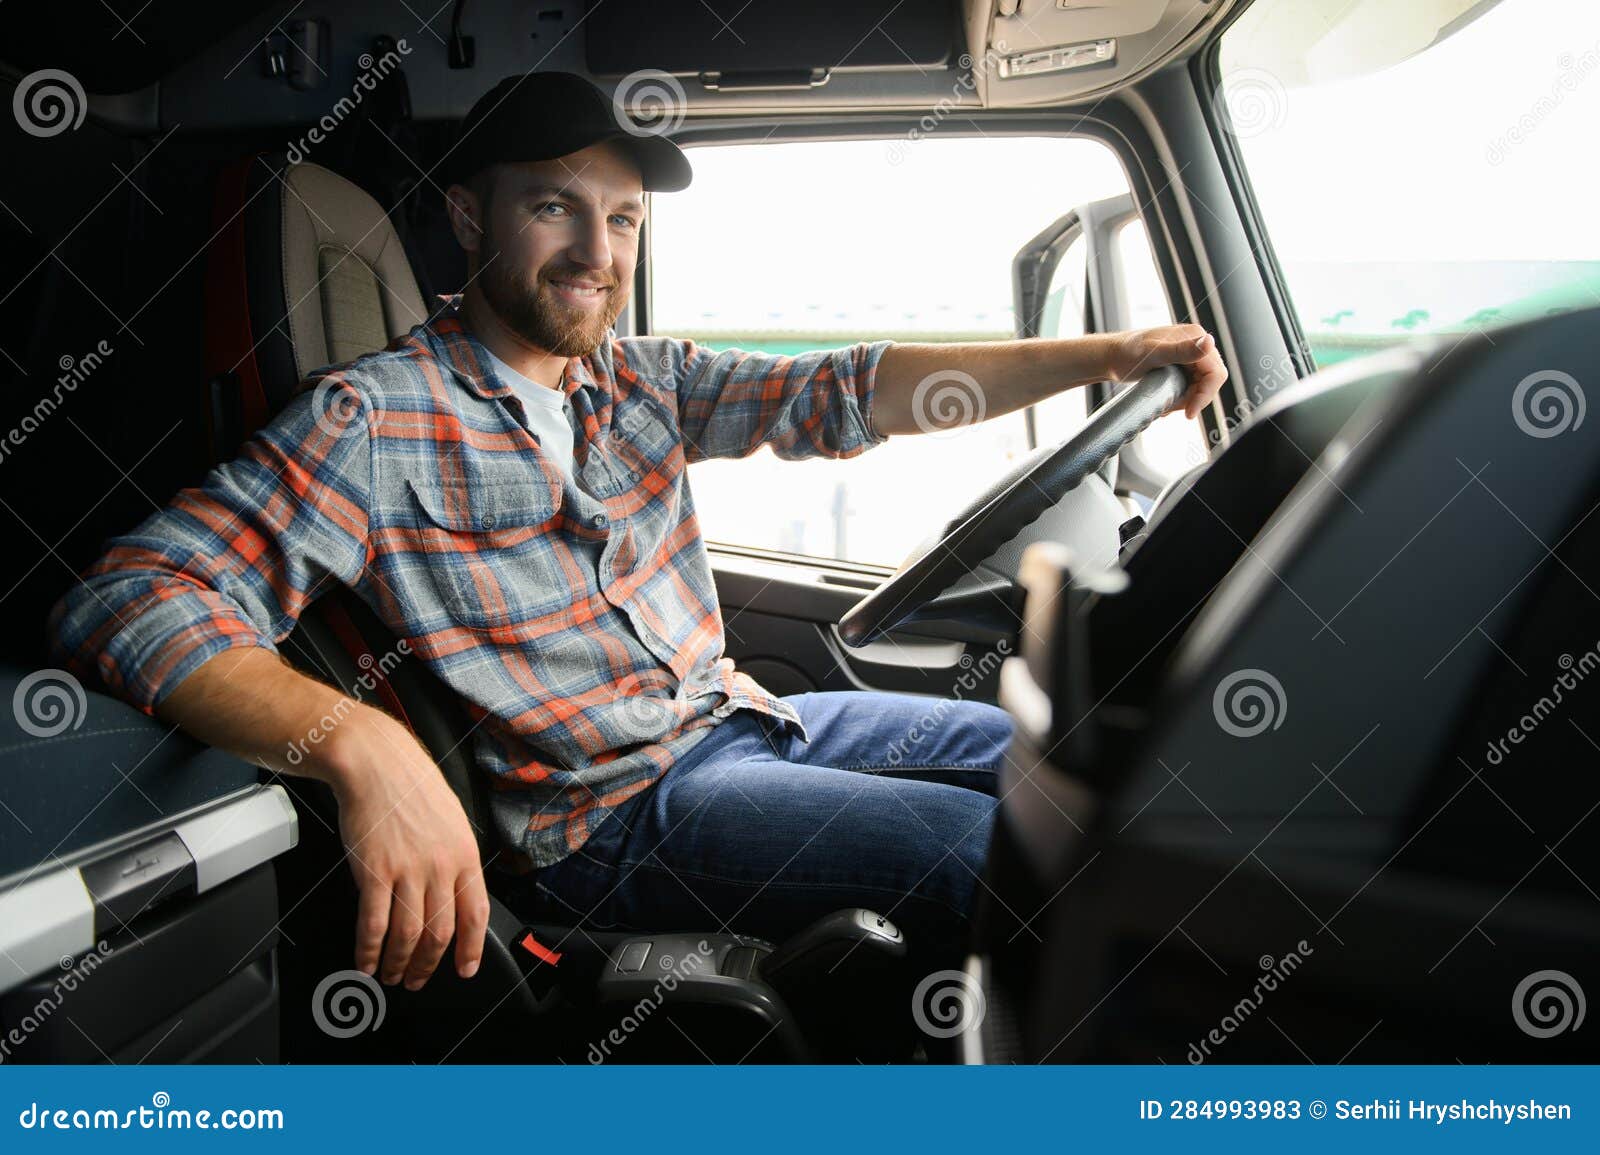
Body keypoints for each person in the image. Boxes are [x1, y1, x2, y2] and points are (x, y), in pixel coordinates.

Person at [48, 71, 1226, 997]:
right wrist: (361, 745)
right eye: (554, 205)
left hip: (744, 720)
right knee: (1009, 852)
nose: (596, 251)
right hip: (610, 819)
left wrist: (1110, 356)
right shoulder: (374, 418)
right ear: (469, 216)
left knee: (1067, 760)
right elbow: (132, 599)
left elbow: (850, 388)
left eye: (621, 218)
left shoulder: (637, 381)